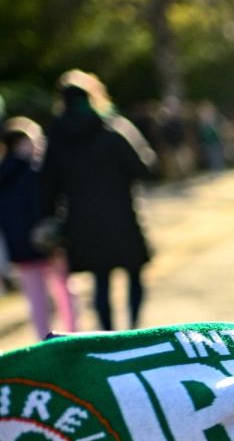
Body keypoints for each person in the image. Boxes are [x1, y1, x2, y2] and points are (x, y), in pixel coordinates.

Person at [40, 69, 157, 331]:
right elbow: (144, 168)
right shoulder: (113, 129)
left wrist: (50, 219)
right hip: (122, 217)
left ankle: (109, 335)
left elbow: (47, 184)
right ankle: (134, 329)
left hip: (82, 224)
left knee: (100, 280)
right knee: (134, 273)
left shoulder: (56, 138)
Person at [0, 117, 78, 338]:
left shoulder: (3, 176)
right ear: (20, 143)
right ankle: (74, 334)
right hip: (48, 242)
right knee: (64, 291)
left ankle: (44, 340)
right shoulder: (37, 172)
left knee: (36, 298)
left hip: (20, 249)